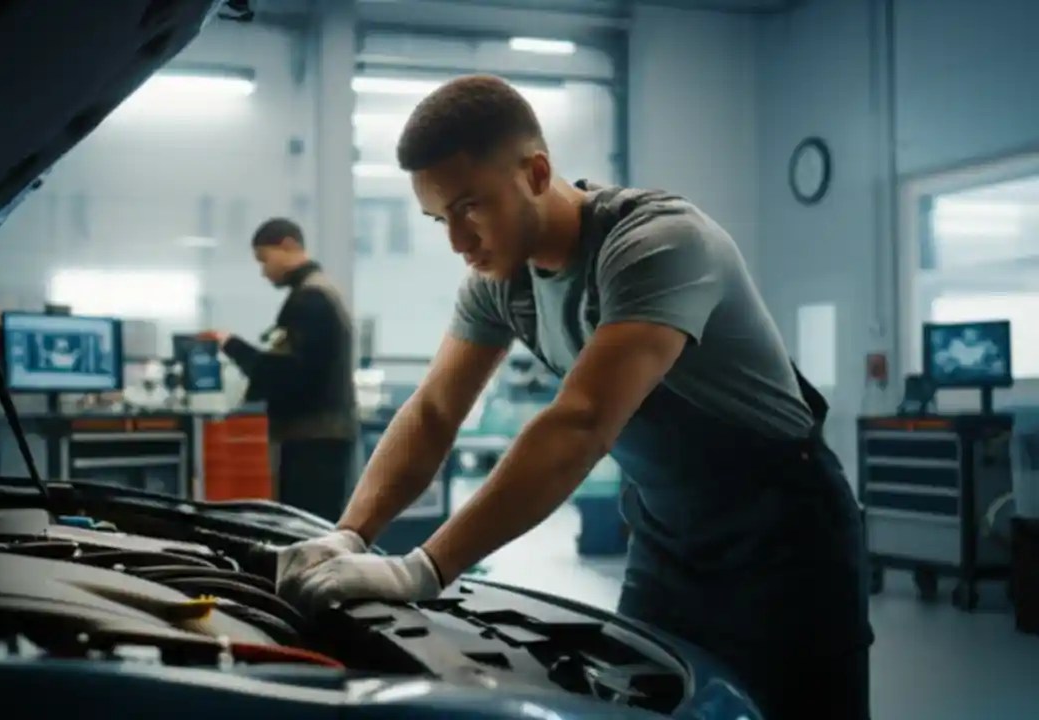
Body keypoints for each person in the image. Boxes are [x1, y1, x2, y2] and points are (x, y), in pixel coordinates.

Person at [273, 75, 873, 720]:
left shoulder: (657, 243)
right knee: (654, 710)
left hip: (786, 537)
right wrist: (350, 537)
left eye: (471, 206)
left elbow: (582, 423)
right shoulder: (500, 279)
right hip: (667, 539)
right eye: (439, 217)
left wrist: (423, 570)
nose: (457, 240)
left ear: (535, 172)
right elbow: (434, 410)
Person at [207, 218, 358, 520]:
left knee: (305, 530)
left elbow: (286, 374)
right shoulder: (321, 291)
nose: (263, 272)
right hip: (325, 437)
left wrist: (232, 345)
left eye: (265, 259)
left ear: (288, 246)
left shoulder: (310, 300)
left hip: (312, 442)